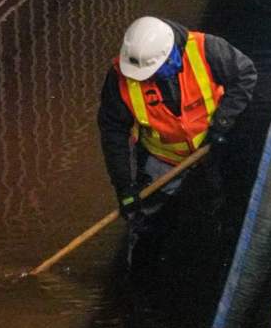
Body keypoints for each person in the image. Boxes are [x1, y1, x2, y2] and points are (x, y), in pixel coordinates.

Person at [98, 17, 257, 261]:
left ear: (170, 54)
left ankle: (221, 248)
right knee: (147, 220)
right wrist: (124, 186)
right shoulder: (120, 78)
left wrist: (222, 123)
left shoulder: (207, 49)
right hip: (164, 161)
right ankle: (144, 266)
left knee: (227, 201)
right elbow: (113, 132)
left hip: (216, 146)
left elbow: (245, 75)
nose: (145, 79)